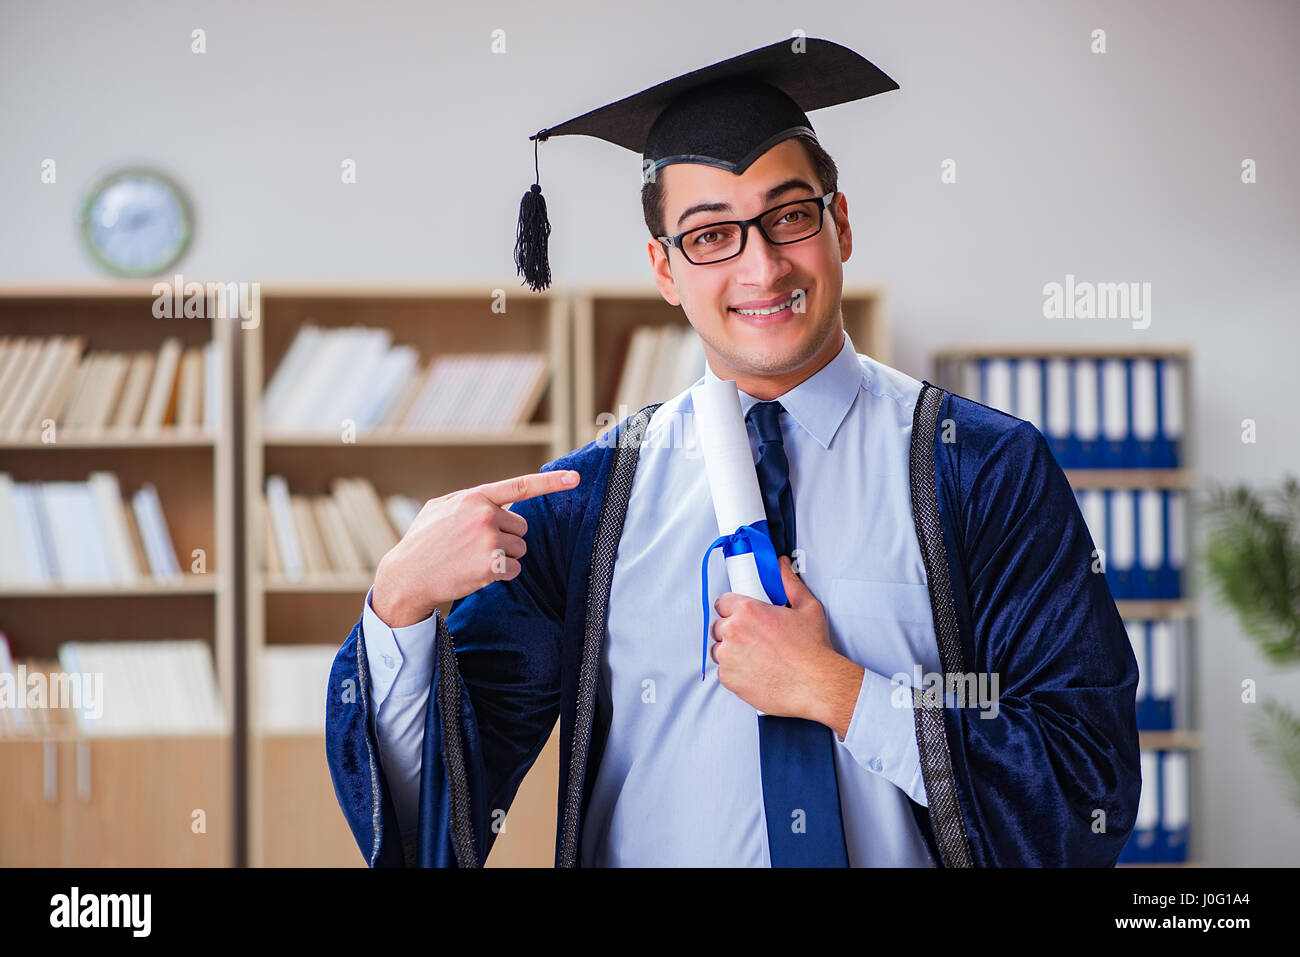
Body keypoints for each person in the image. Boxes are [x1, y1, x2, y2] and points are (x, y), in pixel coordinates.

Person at [325, 36, 1141, 867]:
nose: (761, 265)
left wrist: (840, 692)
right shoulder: (588, 501)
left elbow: (1086, 784)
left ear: (840, 224)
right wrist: (397, 604)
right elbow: (434, 813)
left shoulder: (981, 469)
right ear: (665, 270)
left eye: (789, 215)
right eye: (712, 235)